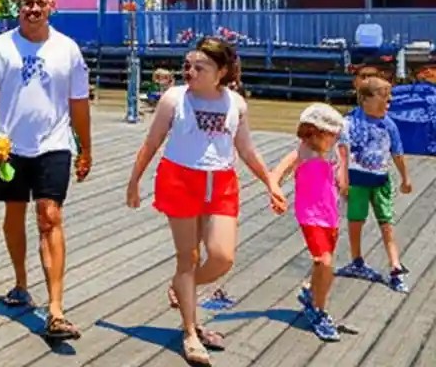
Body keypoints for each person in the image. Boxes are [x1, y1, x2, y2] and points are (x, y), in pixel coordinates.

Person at [125, 36, 286, 364]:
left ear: (221, 71)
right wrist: (134, 181)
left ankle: (181, 287)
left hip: (221, 182)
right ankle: (190, 331)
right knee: (189, 256)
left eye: (200, 67)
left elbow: (246, 148)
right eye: (188, 66)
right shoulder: (174, 99)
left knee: (222, 257)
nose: (191, 72)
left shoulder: (236, 103)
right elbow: (152, 141)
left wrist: (271, 181)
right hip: (180, 179)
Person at [0, 0, 91, 342]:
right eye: (27, 3)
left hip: (54, 144)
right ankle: (21, 282)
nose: (33, 8)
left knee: (49, 216)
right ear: (18, 7)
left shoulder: (68, 49)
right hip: (10, 147)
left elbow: (79, 103)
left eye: (40, 2)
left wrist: (85, 148)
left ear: (51, 6)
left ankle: (55, 309)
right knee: (13, 214)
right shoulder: (2, 46)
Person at [270, 104, 348, 341]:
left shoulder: (334, 152)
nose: (335, 139)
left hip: (330, 214)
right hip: (310, 215)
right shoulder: (301, 153)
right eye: (331, 135)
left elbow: (340, 179)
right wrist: (276, 193)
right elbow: (275, 175)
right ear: (314, 133)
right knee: (324, 262)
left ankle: (310, 292)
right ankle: (319, 310)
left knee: (323, 264)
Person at [336, 75, 413, 292]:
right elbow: (341, 152)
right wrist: (341, 179)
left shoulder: (389, 124)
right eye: (384, 99)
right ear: (366, 99)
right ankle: (356, 259)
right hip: (356, 182)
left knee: (386, 222)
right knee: (355, 220)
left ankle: (395, 266)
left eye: (389, 100)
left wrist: (405, 178)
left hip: (380, 181)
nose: (388, 104)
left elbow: (397, 153)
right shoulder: (348, 122)